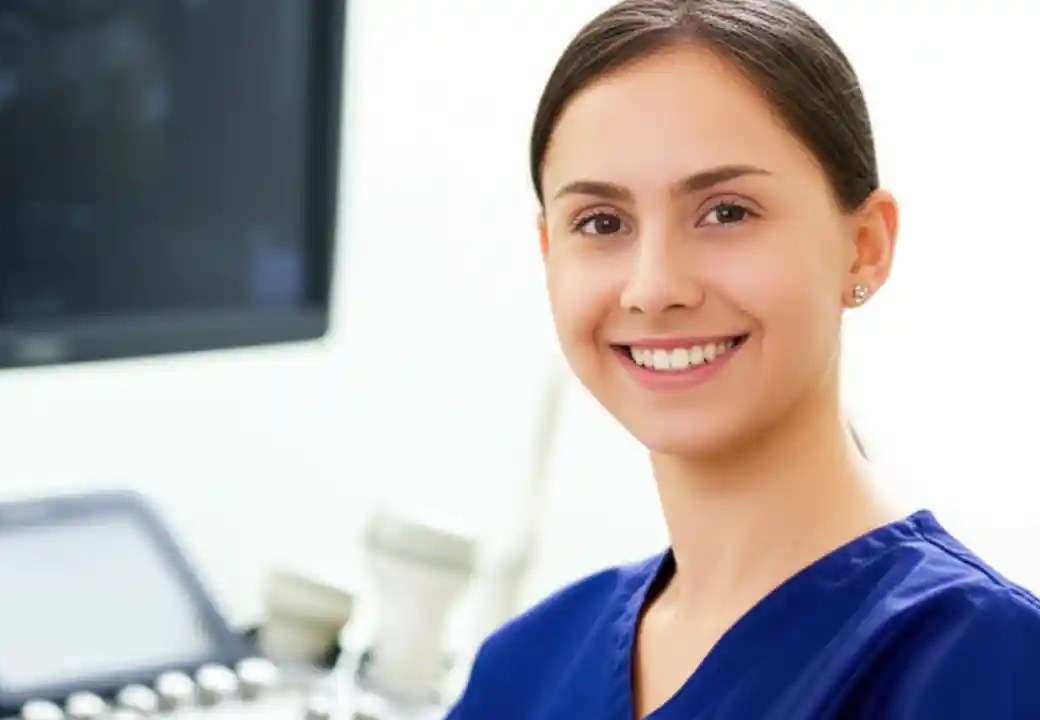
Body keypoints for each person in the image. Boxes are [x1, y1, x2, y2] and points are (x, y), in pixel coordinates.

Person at [446, 1, 1040, 718]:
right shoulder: (527, 667)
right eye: (602, 223)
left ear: (866, 245)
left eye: (727, 211)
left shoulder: (976, 660)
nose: (655, 286)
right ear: (549, 255)